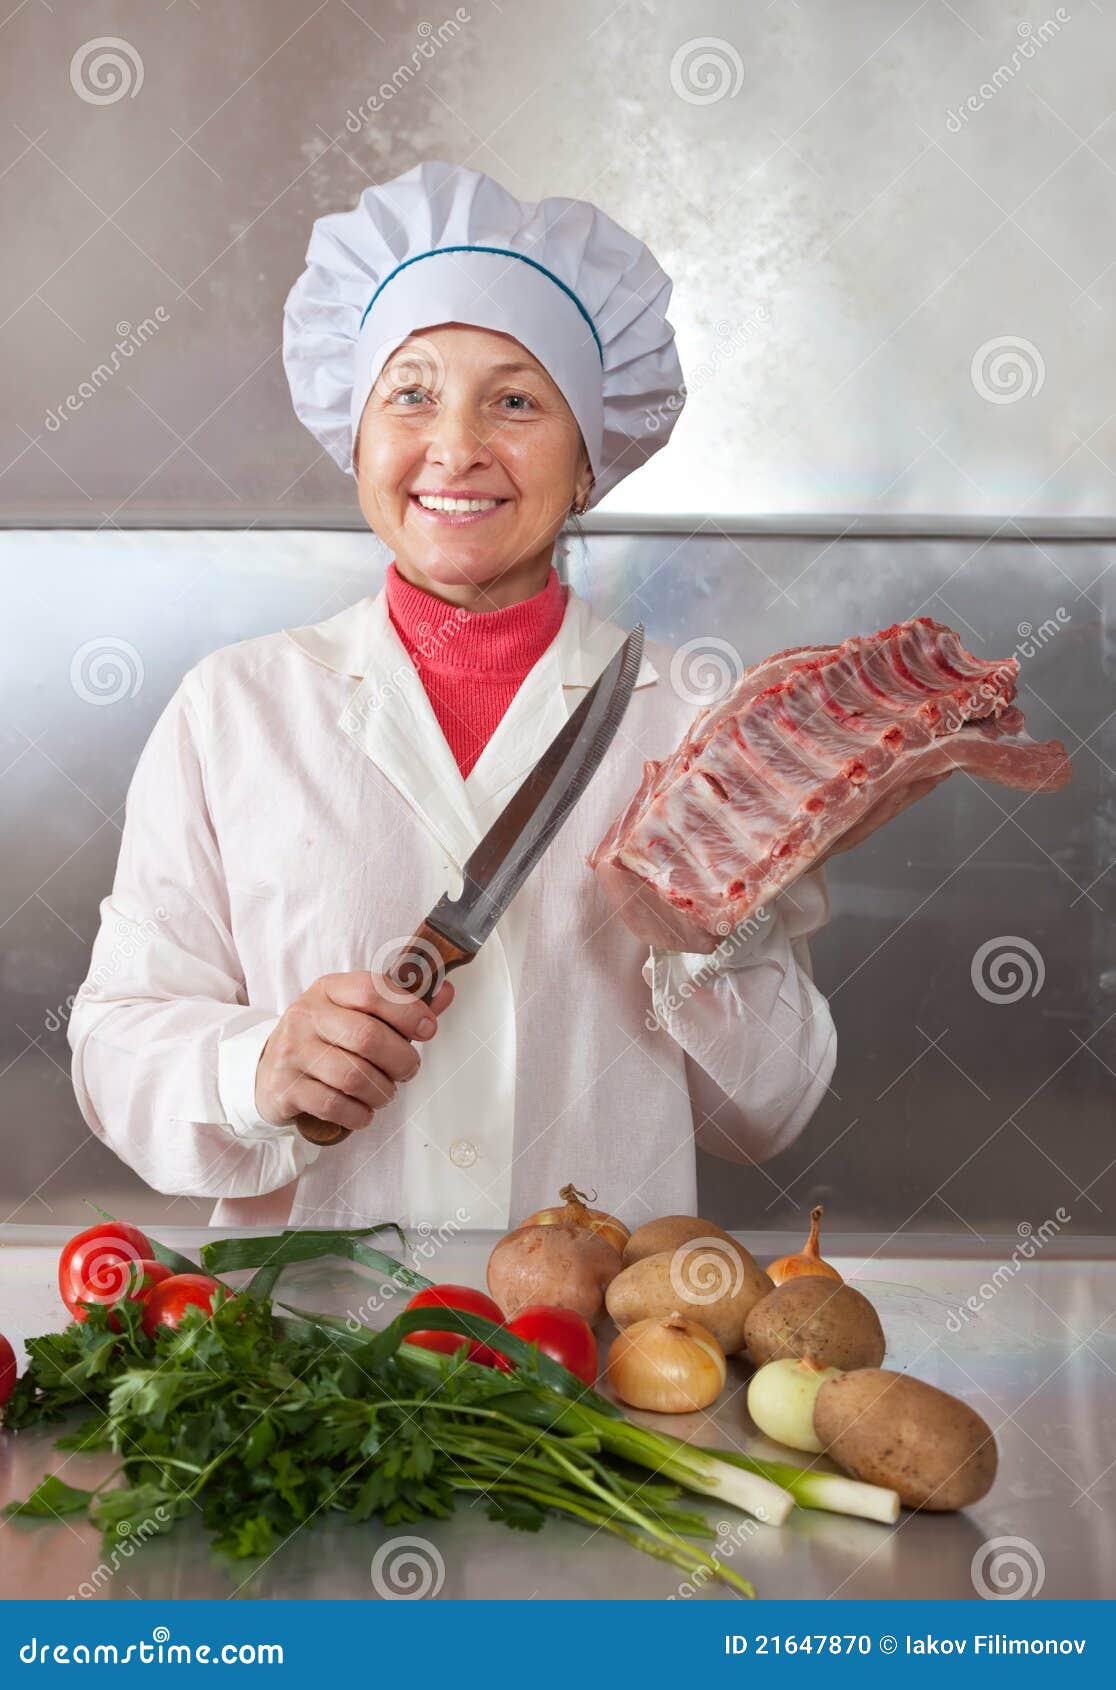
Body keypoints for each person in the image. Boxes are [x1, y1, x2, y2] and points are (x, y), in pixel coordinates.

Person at [68, 159, 838, 1231]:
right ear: (360, 436)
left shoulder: (693, 726)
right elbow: (115, 1041)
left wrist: (703, 933)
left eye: (516, 400)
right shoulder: (231, 709)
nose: (457, 447)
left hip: (590, 1368)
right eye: (412, 393)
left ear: (586, 464)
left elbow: (770, 1110)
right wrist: (258, 1067)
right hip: (315, 1372)